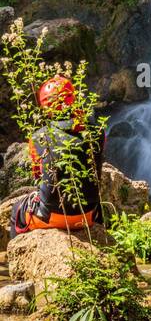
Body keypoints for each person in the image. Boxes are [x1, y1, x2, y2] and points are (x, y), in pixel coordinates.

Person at [9, 75, 104, 237]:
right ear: (72, 99)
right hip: (89, 215)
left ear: (46, 107)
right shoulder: (97, 131)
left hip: (50, 216)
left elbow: (38, 174)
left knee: (16, 209)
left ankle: (15, 255)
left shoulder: (39, 136)